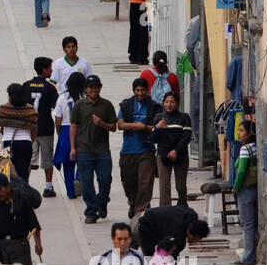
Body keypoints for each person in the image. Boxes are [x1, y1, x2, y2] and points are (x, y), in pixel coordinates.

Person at [70, 75, 117, 223]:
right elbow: (73, 126)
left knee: (105, 180)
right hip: (83, 150)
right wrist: (72, 147)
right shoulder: (78, 105)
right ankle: (91, 211)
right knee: (86, 183)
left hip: (102, 150)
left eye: (96, 87)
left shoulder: (107, 105)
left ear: (100, 88)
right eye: (91, 87)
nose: (93, 90)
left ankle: (102, 202)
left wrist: (101, 123)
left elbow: (113, 127)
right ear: (86, 89)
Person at [117, 78, 162, 218]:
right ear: (133, 91)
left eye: (143, 90)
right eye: (137, 90)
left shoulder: (154, 107)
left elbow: (159, 126)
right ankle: (133, 203)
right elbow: (120, 124)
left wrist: (145, 128)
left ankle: (141, 211)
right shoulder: (126, 105)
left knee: (145, 182)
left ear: (147, 91)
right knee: (128, 182)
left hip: (146, 150)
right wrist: (133, 126)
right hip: (128, 150)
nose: (140, 93)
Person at [151, 90, 193, 206]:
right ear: (163, 103)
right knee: (164, 186)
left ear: (177, 103)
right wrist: (158, 127)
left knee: (180, 186)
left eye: (172, 102)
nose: (169, 104)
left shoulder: (184, 118)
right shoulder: (159, 117)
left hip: (181, 156)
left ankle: (182, 207)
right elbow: (153, 139)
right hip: (163, 156)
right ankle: (164, 211)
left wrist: (176, 151)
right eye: (166, 102)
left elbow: (186, 137)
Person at [26, 58, 59, 198]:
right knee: (47, 159)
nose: (51, 70)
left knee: (29, 159)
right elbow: (56, 107)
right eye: (50, 68)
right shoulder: (50, 87)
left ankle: (25, 185)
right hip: (45, 127)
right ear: (44, 70)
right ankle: (48, 187)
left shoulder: (26, 86)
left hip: (29, 129)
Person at [0, 83, 37, 182]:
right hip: (25, 143)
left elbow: (0, 124)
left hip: (6, 144)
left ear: (10, 95)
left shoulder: (3, 109)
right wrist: (30, 141)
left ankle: (7, 194)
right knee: (23, 173)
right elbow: (34, 128)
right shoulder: (30, 109)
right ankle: (22, 194)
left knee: (5, 173)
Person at [134, 205, 210, 259]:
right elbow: (170, 257)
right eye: (196, 239)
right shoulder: (177, 236)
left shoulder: (191, 214)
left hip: (140, 216)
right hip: (141, 225)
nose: (195, 242)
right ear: (190, 232)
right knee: (151, 260)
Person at [231, 120, 258, 265]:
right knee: (253, 223)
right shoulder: (255, 147)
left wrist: (235, 188)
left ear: (249, 133)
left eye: (241, 131)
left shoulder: (244, 149)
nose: (238, 134)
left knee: (247, 223)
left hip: (245, 190)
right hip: (255, 188)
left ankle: (248, 256)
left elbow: (241, 171)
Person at [128, 0, 149, 64]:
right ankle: (142, 57)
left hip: (133, 3)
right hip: (144, 4)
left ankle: (132, 55)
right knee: (144, 31)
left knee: (134, 29)